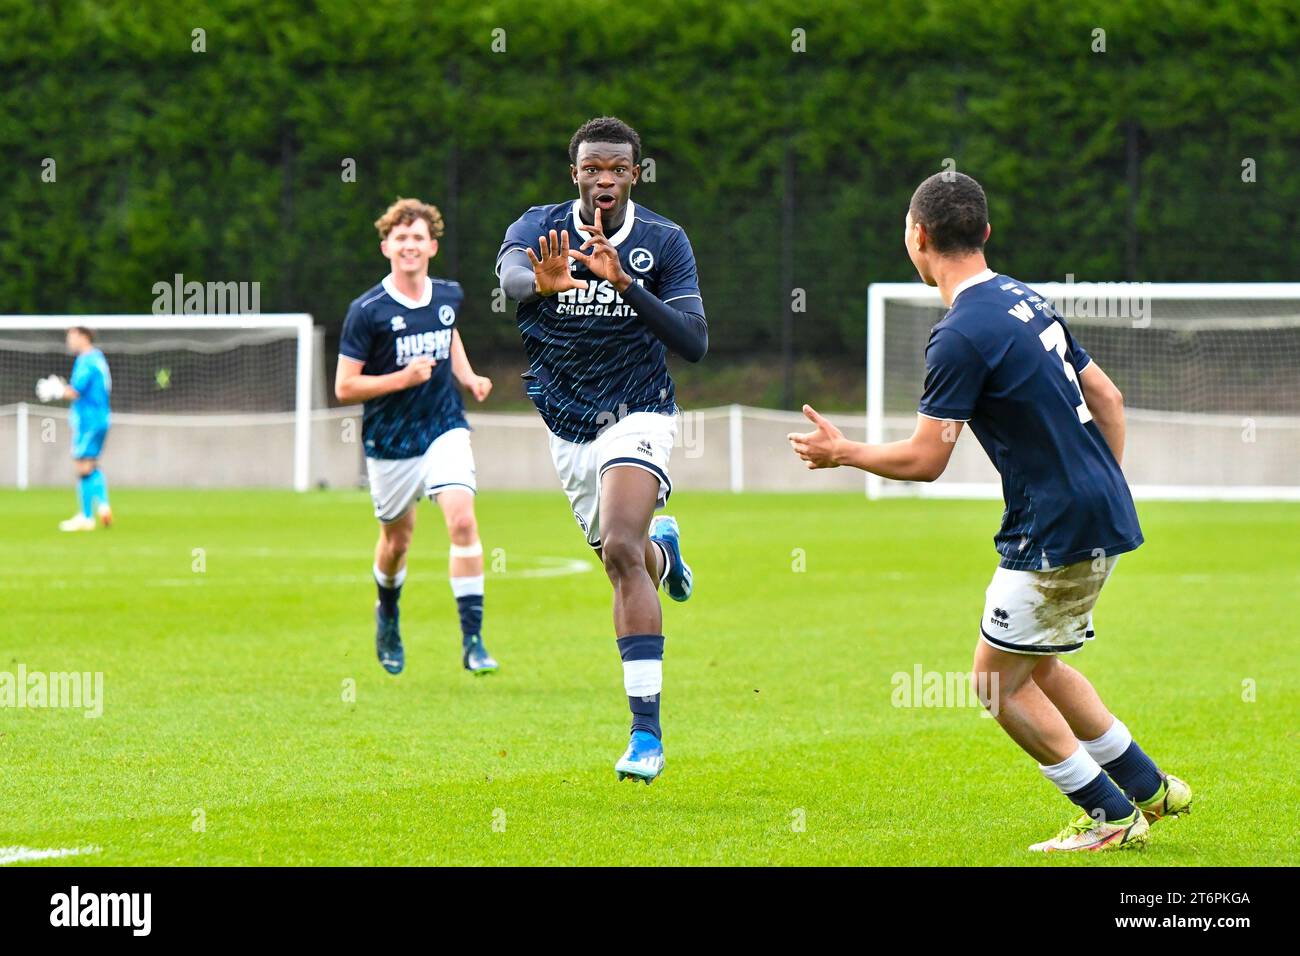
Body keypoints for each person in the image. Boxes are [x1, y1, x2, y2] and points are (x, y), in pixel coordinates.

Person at [788, 172, 1191, 851]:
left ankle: (1110, 815)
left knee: (993, 684)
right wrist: (1096, 487)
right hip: (1101, 513)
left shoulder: (958, 335)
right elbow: (1110, 400)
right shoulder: (1024, 300)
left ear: (918, 237)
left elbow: (925, 460)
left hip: (1053, 528)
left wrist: (843, 452)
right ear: (986, 233)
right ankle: (1152, 789)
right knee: (1038, 667)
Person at [495, 116, 708, 783]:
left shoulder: (663, 242)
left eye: (617, 169)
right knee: (627, 558)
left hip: (638, 413)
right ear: (575, 175)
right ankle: (663, 553)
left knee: (619, 546)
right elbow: (507, 281)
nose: (605, 180)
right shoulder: (539, 229)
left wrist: (626, 285)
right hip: (566, 422)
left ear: (635, 175)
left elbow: (695, 341)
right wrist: (544, 283)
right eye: (593, 168)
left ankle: (646, 735)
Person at [337, 198, 498, 676]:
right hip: (390, 443)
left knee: (463, 522)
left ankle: (473, 641)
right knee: (397, 542)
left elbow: (449, 335)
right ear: (387, 246)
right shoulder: (366, 311)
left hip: (444, 428)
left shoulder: (448, 294)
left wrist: (468, 378)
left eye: (418, 237)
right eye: (400, 237)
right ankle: (387, 610)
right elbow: (345, 387)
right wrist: (401, 379)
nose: (410, 245)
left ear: (431, 245)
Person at [37, 327, 113, 532]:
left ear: (84, 337)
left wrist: (56, 391)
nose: (69, 341)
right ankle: (104, 506)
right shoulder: (98, 358)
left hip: (89, 420)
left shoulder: (87, 361)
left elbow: (75, 391)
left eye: (72, 337)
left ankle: (86, 517)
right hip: (101, 417)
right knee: (91, 463)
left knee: (82, 465)